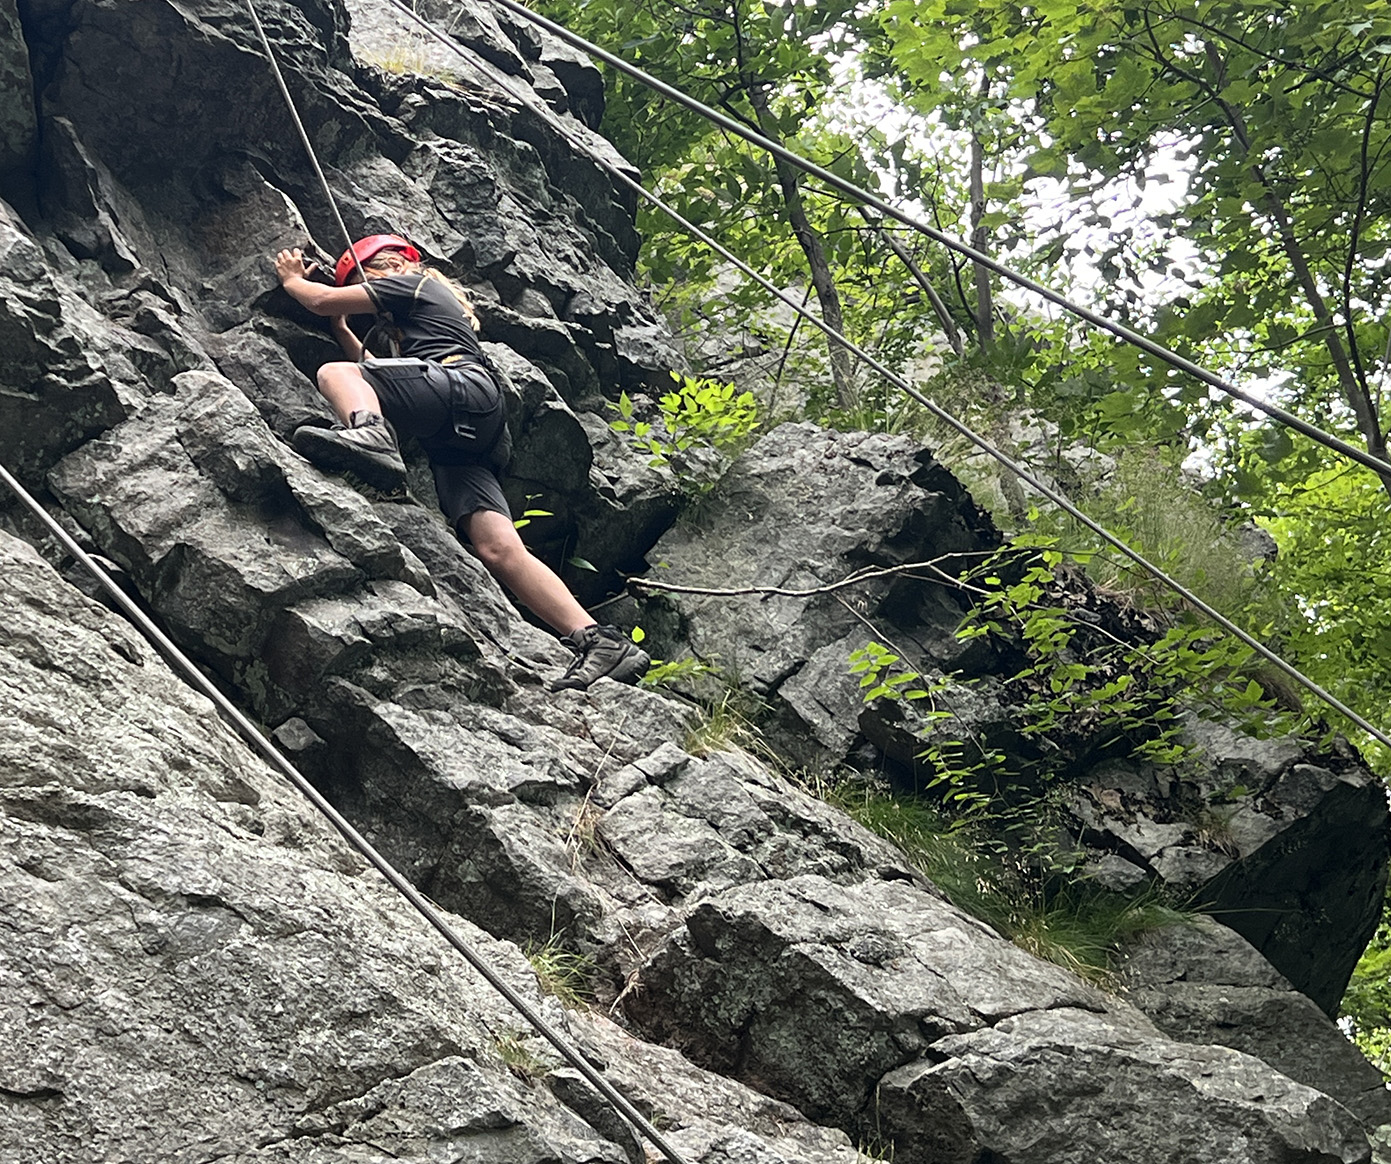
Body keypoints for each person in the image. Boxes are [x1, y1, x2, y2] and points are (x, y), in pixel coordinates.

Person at [272, 234, 649, 692]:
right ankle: (599, 639)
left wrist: (294, 280)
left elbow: (322, 301)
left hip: (457, 389)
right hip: (470, 428)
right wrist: (344, 332)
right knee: (497, 549)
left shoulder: (410, 283)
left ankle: (371, 435)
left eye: (361, 281)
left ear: (382, 267)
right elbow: (384, 374)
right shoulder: (425, 316)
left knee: (335, 374)